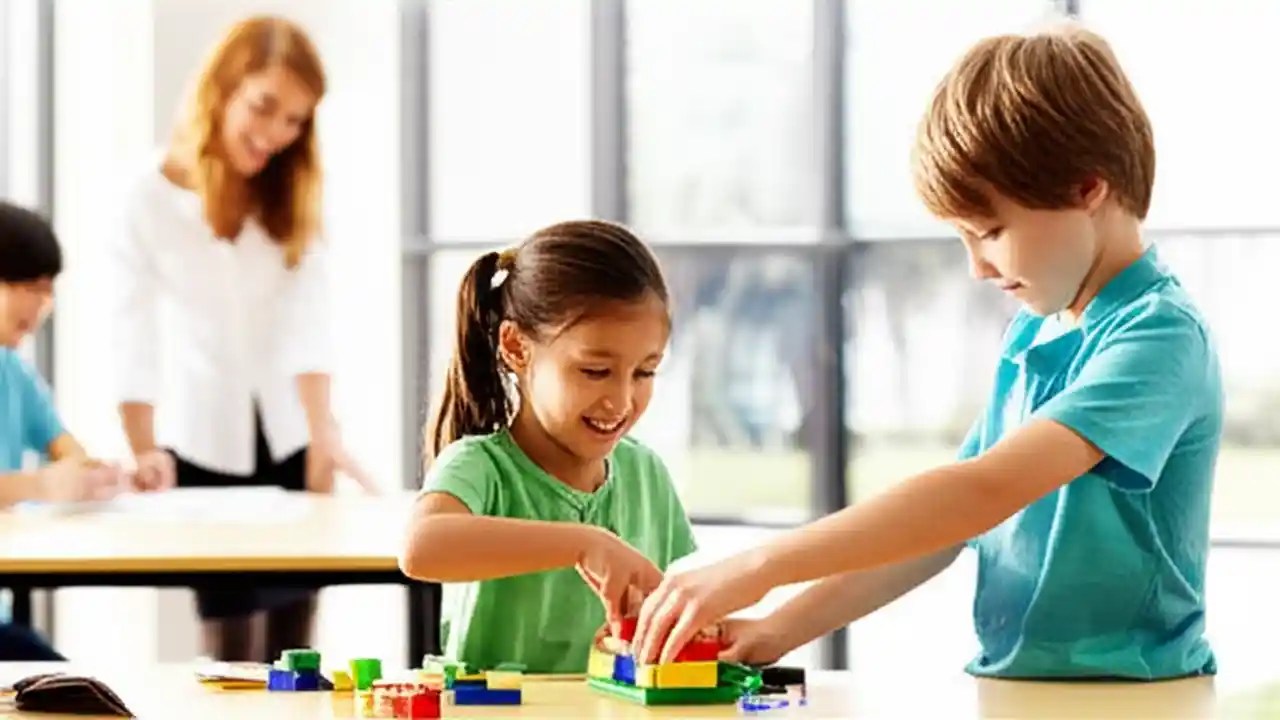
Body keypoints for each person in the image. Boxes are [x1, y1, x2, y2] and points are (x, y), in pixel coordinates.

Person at [631, 23, 1224, 681]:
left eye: (991, 231)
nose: (976, 266)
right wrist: (777, 628)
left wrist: (758, 566)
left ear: (1088, 188)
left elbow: (982, 491)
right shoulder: (1038, 330)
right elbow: (944, 528)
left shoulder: (1159, 338)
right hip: (1017, 688)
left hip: (1135, 699)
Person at [105, 15, 371, 663]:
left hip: (292, 437)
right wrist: (142, 447)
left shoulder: (293, 193)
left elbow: (310, 319)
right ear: (222, 88)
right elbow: (130, 329)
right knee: (227, 653)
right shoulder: (145, 198)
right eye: (265, 107)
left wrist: (321, 437)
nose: (277, 133)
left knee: (293, 652)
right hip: (202, 443)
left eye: (295, 120)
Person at [398, 220, 697, 673]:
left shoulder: (646, 473)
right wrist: (583, 544)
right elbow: (422, 548)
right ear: (516, 347)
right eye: (595, 371)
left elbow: (682, 598)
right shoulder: (481, 466)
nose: (621, 401)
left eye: (644, 372)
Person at [0, 200, 126, 660]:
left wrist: (102, 475)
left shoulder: (13, 373)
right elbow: (46, 480)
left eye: (48, 291)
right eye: (30, 287)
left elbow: (68, 452)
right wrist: (40, 484)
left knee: (78, 691)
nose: (41, 305)